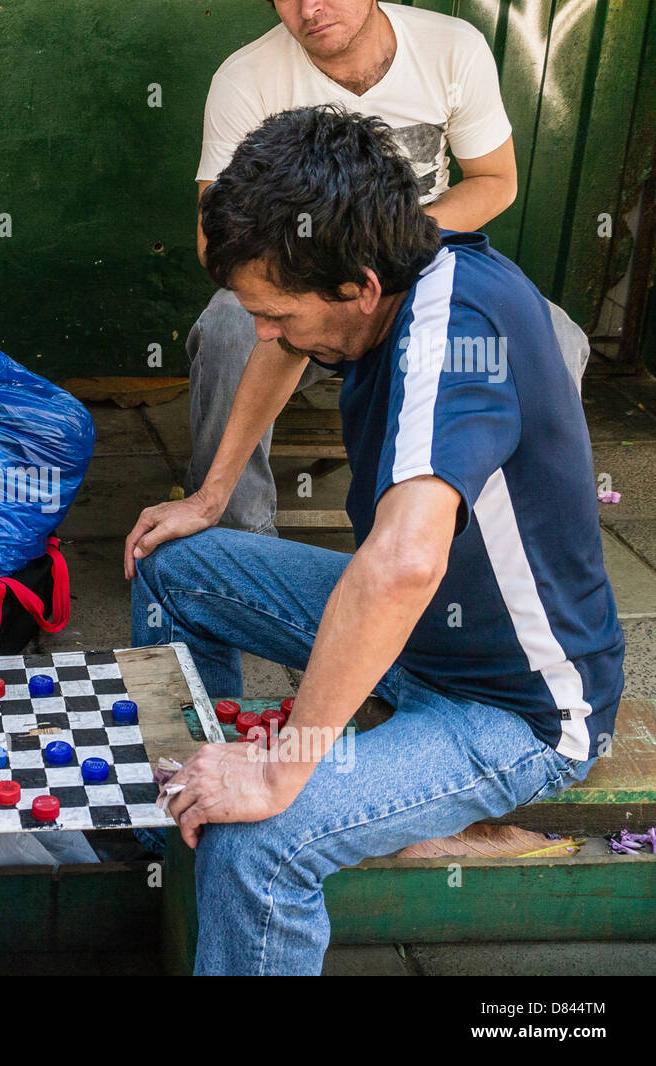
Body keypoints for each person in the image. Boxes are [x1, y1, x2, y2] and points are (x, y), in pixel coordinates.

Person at [125, 106, 624, 975]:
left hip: (513, 709)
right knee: (174, 567)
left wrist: (288, 768)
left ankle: (243, 822)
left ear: (358, 287)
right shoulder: (390, 252)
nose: (266, 334)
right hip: (420, 636)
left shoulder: (455, 333)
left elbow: (404, 564)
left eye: (276, 312)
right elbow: (287, 348)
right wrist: (210, 495)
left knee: (262, 845)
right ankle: (189, 800)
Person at [187, 0, 590, 532]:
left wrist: (387, 244)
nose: (311, 8)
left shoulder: (453, 46)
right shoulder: (245, 77)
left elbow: (496, 179)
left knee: (557, 335)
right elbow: (215, 240)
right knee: (228, 330)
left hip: (415, 265)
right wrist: (324, 271)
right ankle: (234, 538)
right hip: (302, 283)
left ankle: (492, 536)